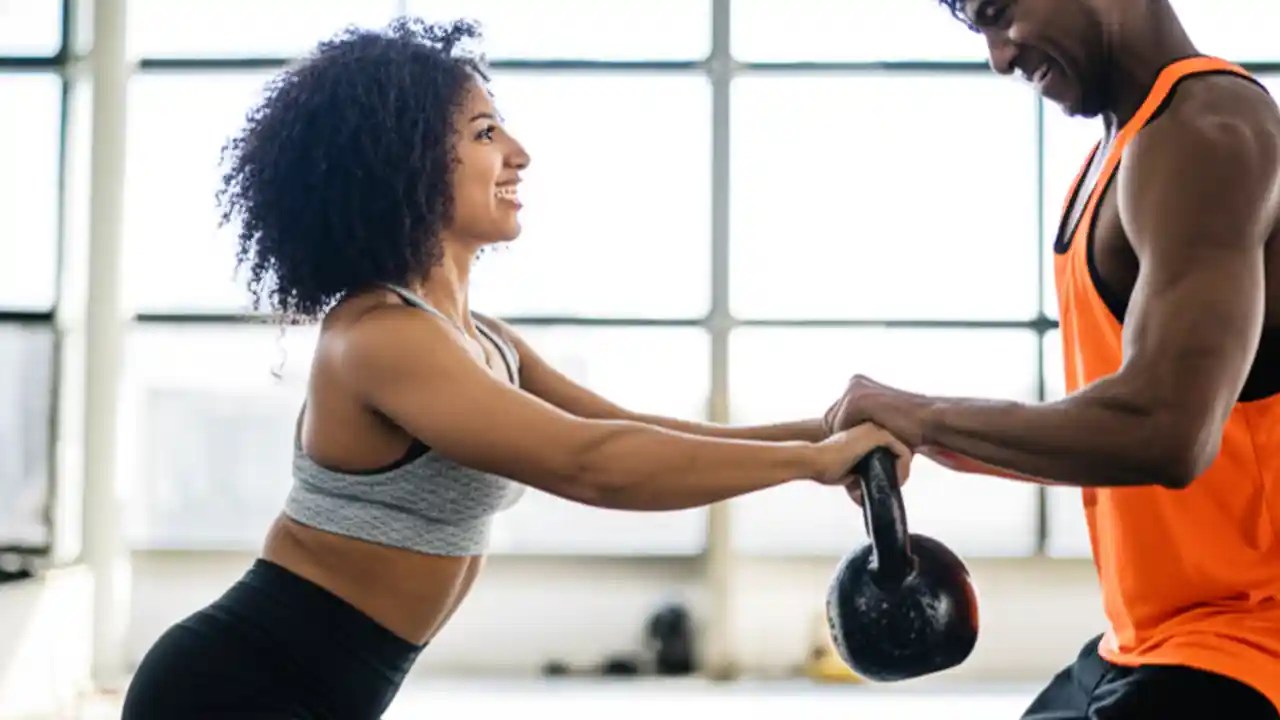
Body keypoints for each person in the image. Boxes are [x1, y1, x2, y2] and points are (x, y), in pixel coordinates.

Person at [119, 17, 911, 719]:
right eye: (486, 133)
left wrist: (818, 433)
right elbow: (591, 466)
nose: (520, 154)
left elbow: (619, 428)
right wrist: (806, 462)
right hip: (236, 688)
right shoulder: (378, 337)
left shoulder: (478, 337)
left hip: (329, 690)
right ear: (405, 159)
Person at [825, 0, 1280, 717]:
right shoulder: (1121, 154)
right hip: (1144, 643)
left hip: (1248, 648)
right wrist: (923, 431)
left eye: (1000, 15)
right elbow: (1111, 424)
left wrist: (928, 419)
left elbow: (1166, 431)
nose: (1000, 56)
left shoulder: (1207, 133)